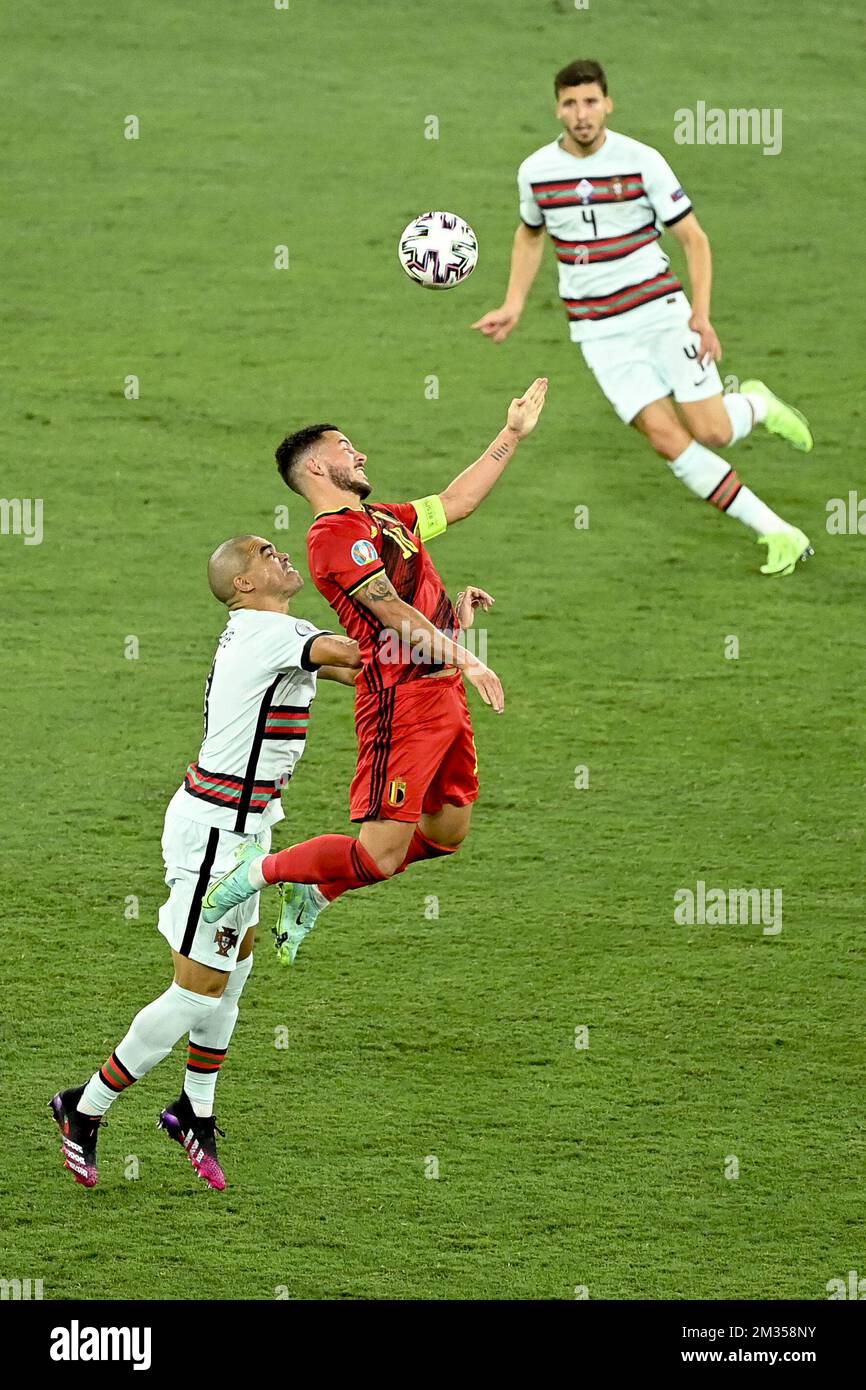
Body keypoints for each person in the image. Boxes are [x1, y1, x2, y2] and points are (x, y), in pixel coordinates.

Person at [50, 536, 360, 1190]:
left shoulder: (268, 630)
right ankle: (84, 1108)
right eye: (264, 553)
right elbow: (361, 655)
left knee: (235, 969)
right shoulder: (274, 633)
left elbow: (367, 671)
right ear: (243, 585)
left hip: (246, 830)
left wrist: (441, 634)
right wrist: (419, 625)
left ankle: (195, 1108)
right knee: (198, 989)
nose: (280, 554)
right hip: (216, 834)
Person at [200, 380, 548, 959]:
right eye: (346, 447)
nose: (359, 454)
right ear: (316, 466)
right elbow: (389, 609)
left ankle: (316, 893)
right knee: (379, 854)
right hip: (402, 702)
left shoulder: (386, 519)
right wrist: (467, 655)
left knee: (445, 833)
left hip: (442, 693)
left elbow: (457, 502)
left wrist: (510, 433)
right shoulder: (332, 537)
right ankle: (255, 870)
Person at [472, 58, 813, 577]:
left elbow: (693, 238)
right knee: (665, 438)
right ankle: (778, 532)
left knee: (712, 431)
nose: (581, 114)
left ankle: (757, 406)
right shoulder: (536, 171)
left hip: (661, 315)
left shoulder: (641, 161)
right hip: (599, 333)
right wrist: (514, 303)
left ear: (607, 103)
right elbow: (530, 232)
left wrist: (701, 315)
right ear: (557, 109)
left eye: (590, 102)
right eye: (570, 103)